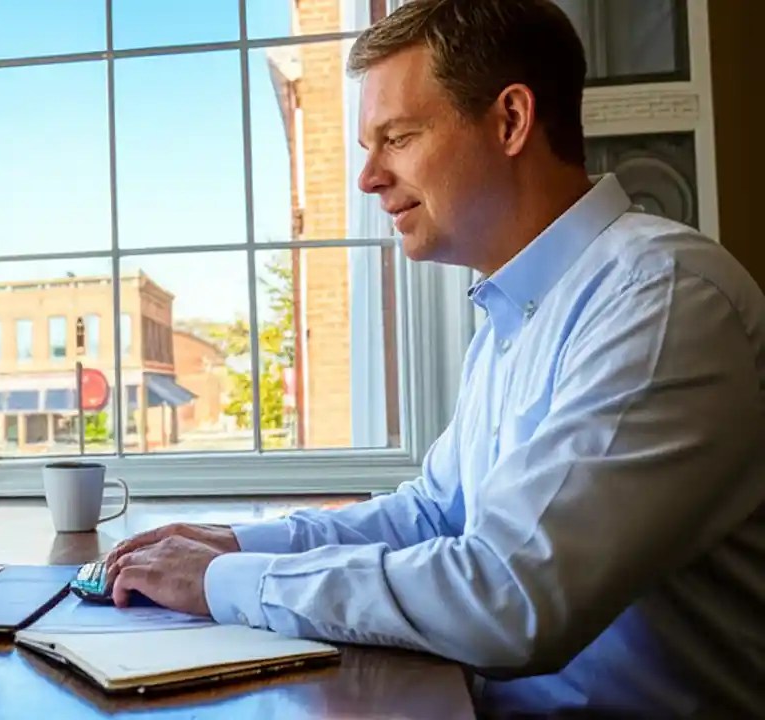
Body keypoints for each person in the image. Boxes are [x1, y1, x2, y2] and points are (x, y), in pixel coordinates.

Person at [103, 0, 765, 715]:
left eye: (398, 137)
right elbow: (432, 514)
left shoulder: (660, 299)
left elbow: (511, 596)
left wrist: (227, 580)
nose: (369, 178)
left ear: (510, 121)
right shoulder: (518, 309)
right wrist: (232, 540)